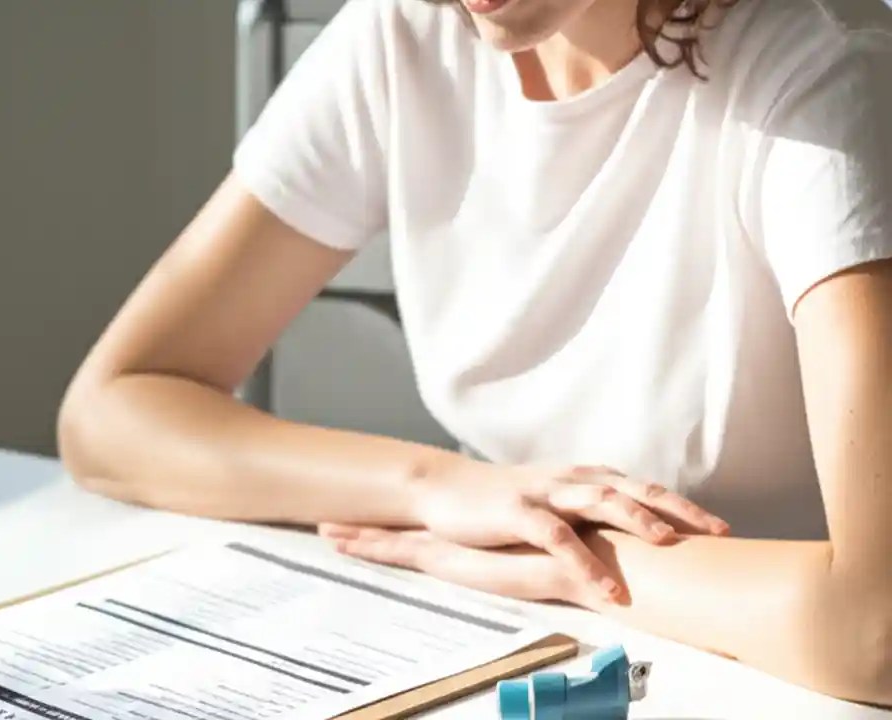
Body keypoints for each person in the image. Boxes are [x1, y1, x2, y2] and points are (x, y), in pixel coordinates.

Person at [59, 0, 892, 704]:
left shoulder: (821, 77)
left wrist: (570, 559)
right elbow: (113, 409)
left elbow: (876, 626)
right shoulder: (404, 35)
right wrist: (440, 487)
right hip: (513, 646)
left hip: (782, 684)